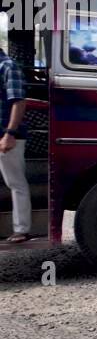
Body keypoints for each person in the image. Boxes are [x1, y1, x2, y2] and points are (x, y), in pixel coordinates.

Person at [0, 46, 31, 244]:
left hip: (6, 135)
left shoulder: (8, 67)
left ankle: (21, 229)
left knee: (15, 182)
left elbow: (18, 102)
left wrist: (9, 133)